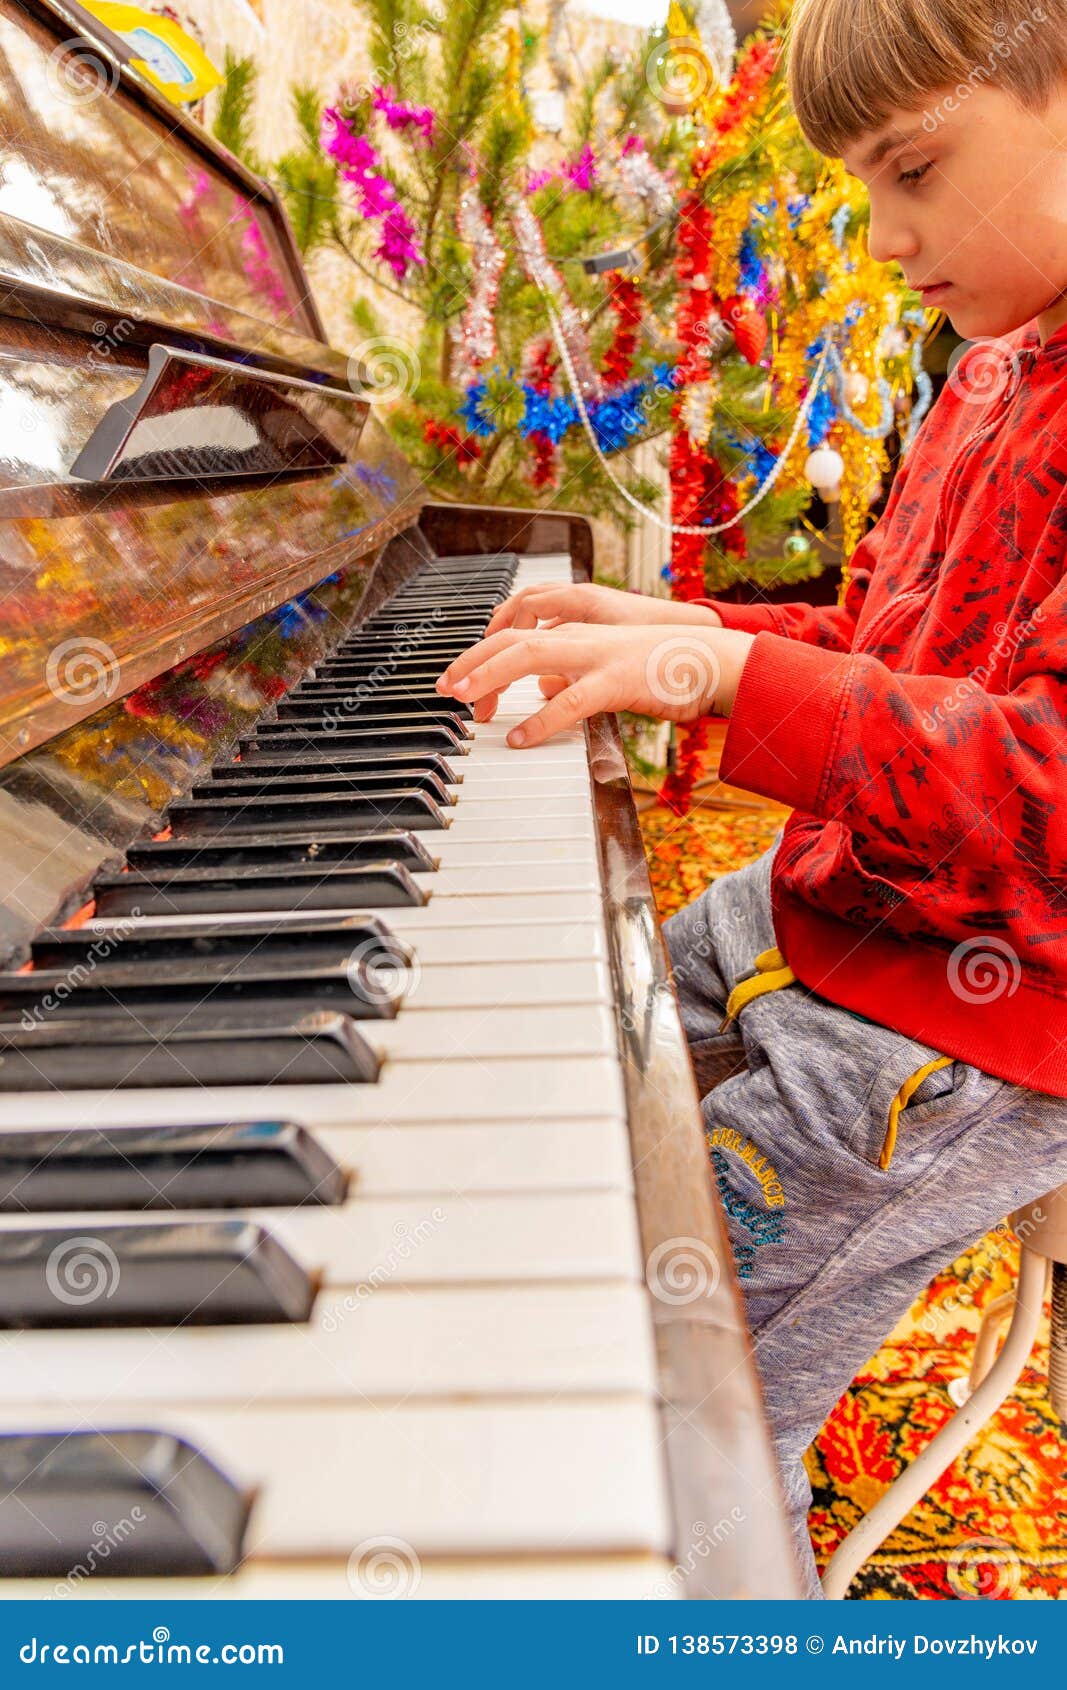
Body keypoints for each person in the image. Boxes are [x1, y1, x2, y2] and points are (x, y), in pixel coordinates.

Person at [436, 0, 1067, 1597]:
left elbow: (1043, 785)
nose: (886, 236)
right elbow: (890, 650)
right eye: (863, 183)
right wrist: (696, 631)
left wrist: (726, 687)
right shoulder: (994, 370)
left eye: (914, 169)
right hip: (818, 904)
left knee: (673, 1424)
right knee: (558, 1052)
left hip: (954, 1027)